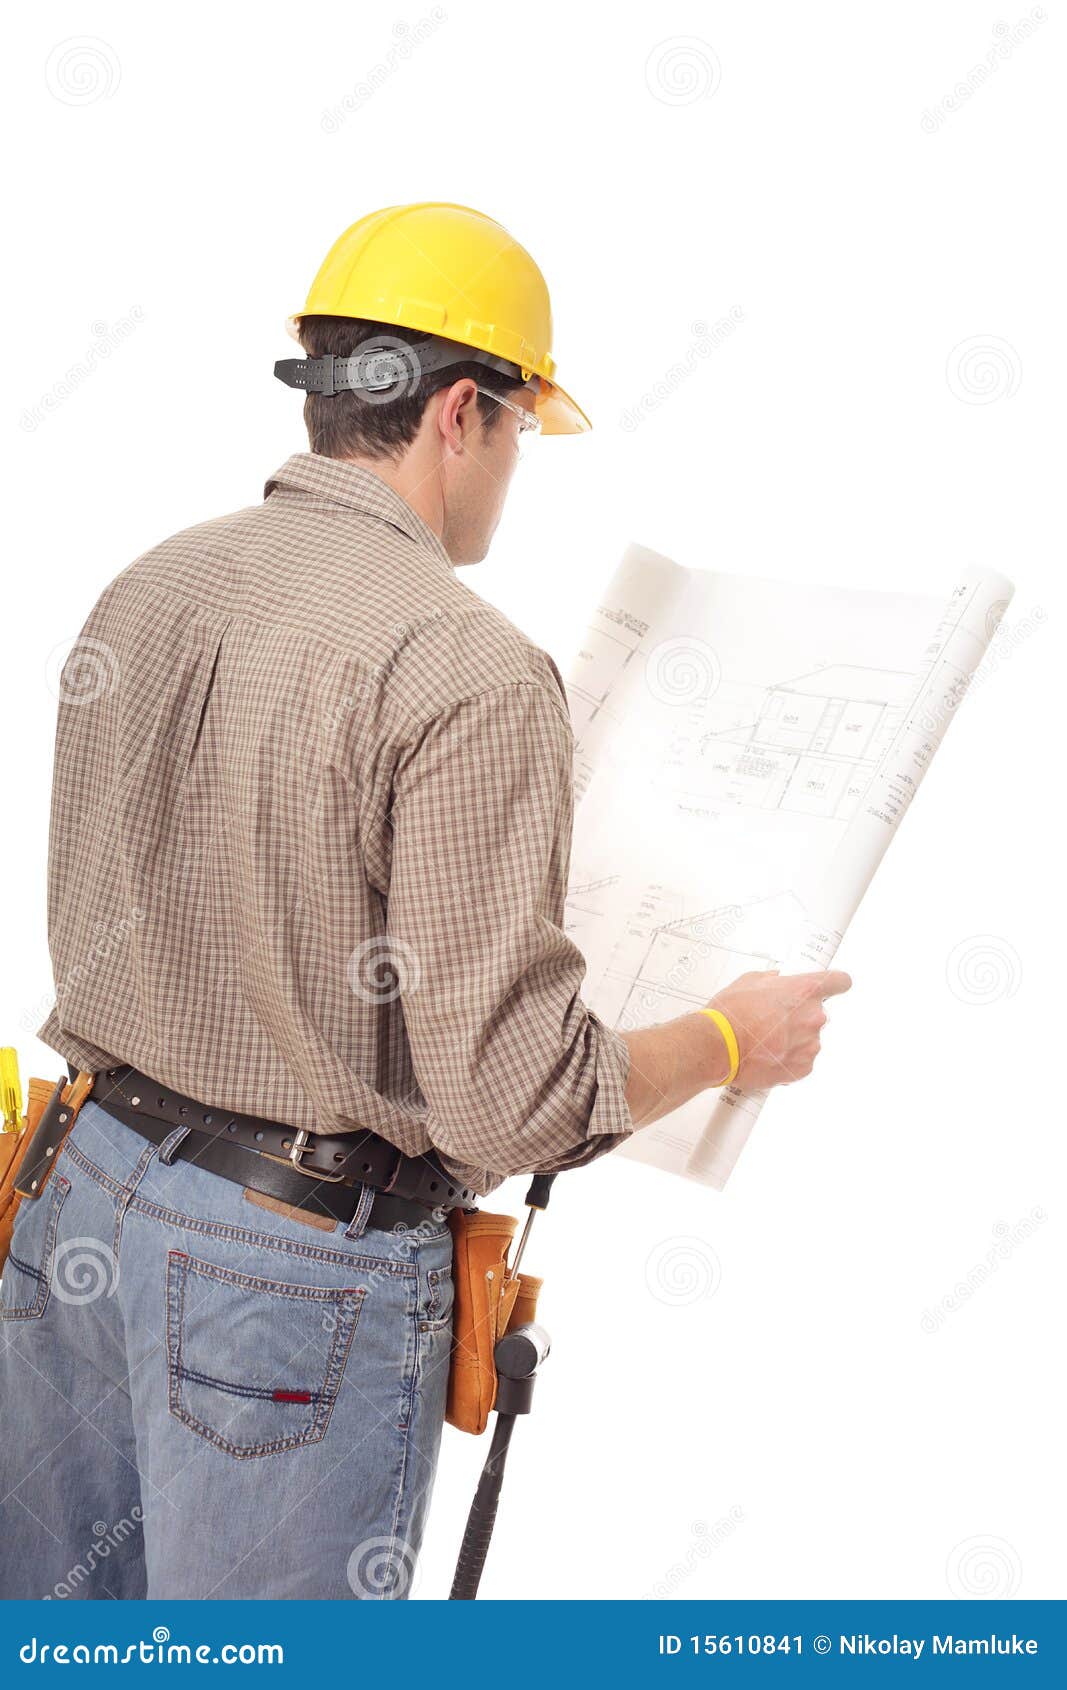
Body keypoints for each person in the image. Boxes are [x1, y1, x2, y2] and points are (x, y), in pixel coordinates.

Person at [0, 203, 850, 1600]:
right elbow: (513, 1105)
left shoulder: (150, 583)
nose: (515, 467)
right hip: (277, 1285)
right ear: (462, 411)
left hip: (74, 1195)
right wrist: (729, 1038)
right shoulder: (466, 664)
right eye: (521, 429)